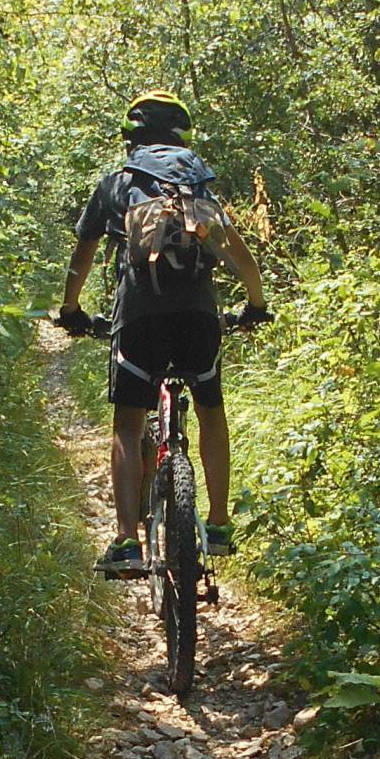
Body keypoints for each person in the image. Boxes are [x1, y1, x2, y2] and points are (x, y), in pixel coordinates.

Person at [55, 90, 269, 576]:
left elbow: (82, 255)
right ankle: (218, 524)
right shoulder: (198, 189)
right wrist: (255, 306)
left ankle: (127, 541)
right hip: (199, 317)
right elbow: (240, 256)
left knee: (129, 426)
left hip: (139, 318)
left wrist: (71, 310)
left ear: (131, 138)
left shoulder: (117, 184)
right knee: (211, 410)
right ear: (182, 138)